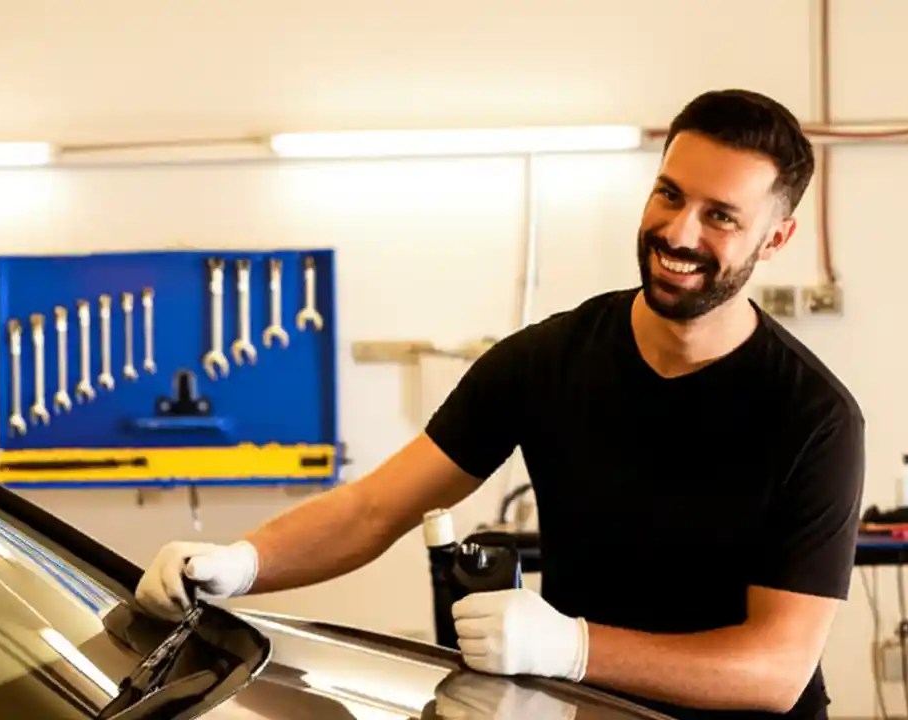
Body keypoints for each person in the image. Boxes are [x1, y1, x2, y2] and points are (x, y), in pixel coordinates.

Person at [135, 88, 865, 720]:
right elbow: (372, 510)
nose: (679, 233)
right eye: (669, 194)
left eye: (721, 217)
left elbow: (776, 670)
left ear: (777, 238)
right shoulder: (546, 360)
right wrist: (240, 562)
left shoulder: (813, 418)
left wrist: (573, 646)